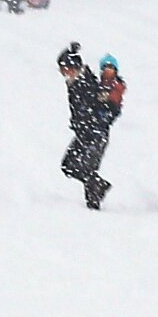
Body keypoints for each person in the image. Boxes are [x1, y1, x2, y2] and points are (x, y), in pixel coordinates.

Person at [58, 44, 125, 209]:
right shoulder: (76, 82)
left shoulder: (86, 83)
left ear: (74, 68)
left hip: (95, 134)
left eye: (65, 69)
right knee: (69, 165)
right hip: (85, 133)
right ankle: (97, 190)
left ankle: (95, 201)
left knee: (84, 168)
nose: (63, 73)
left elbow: (103, 107)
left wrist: (92, 122)